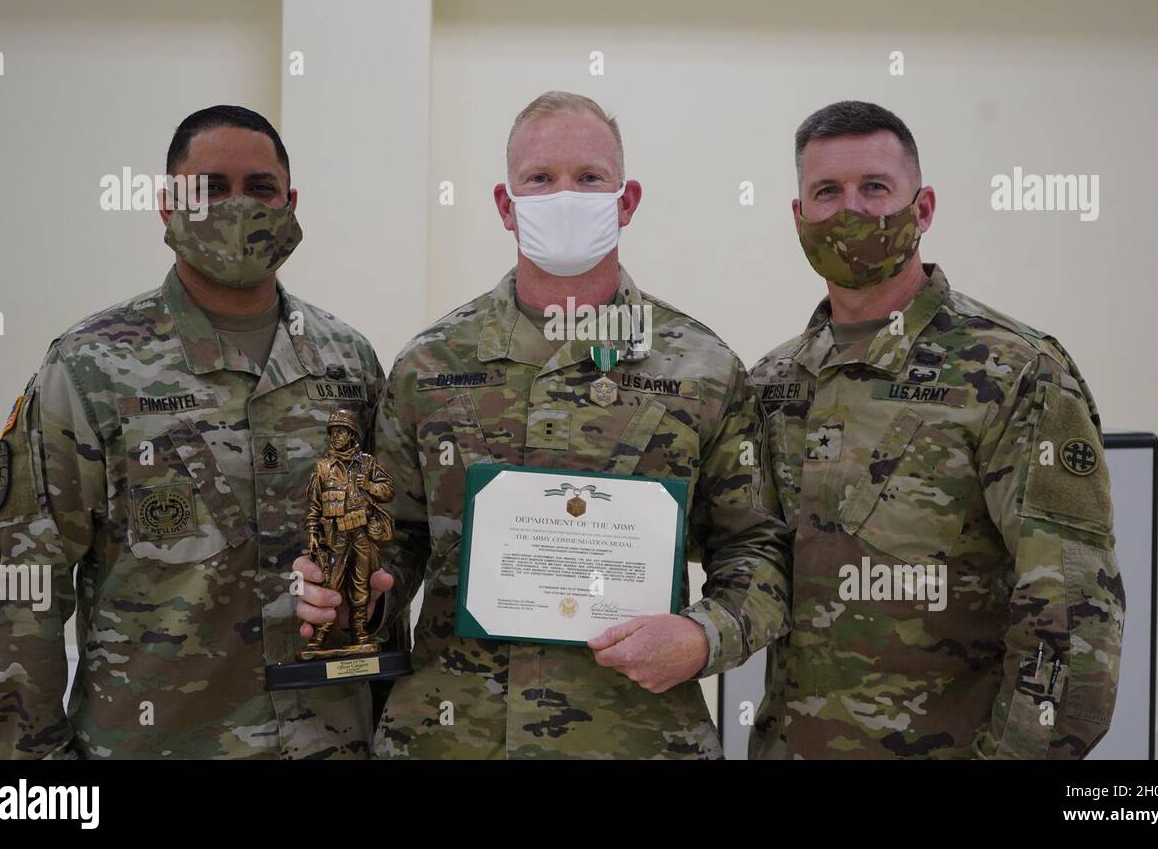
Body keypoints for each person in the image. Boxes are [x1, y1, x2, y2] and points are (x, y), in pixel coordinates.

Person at [294, 91, 791, 758]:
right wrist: (358, 591)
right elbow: (401, 539)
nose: (565, 196)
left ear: (627, 200)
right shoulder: (431, 365)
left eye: (589, 178)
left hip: (636, 737)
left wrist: (704, 637)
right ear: (506, 205)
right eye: (540, 179)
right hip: (449, 736)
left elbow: (756, 550)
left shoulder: (702, 368)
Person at [0, 105, 390, 758]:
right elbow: (24, 586)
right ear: (167, 206)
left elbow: (383, 557)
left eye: (260, 188)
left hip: (326, 742)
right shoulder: (90, 368)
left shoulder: (348, 361)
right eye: (210, 188)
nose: (237, 205)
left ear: (290, 204)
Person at [750, 100, 1124, 759]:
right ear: (798, 216)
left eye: (875, 188)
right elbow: (732, 553)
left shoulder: (1015, 373)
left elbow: (1072, 620)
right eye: (827, 192)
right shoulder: (774, 384)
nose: (851, 211)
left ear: (921, 209)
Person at [304, 407, 395, 651]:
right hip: (335, 536)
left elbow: (388, 490)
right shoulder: (323, 468)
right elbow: (314, 506)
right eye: (333, 432)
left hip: (362, 532)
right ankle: (320, 637)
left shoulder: (367, 464)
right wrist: (313, 534)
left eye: (342, 431)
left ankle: (359, 631)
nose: (336, 436)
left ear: (352, 435)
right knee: (330, 584)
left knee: (360, 584)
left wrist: (368, 485)